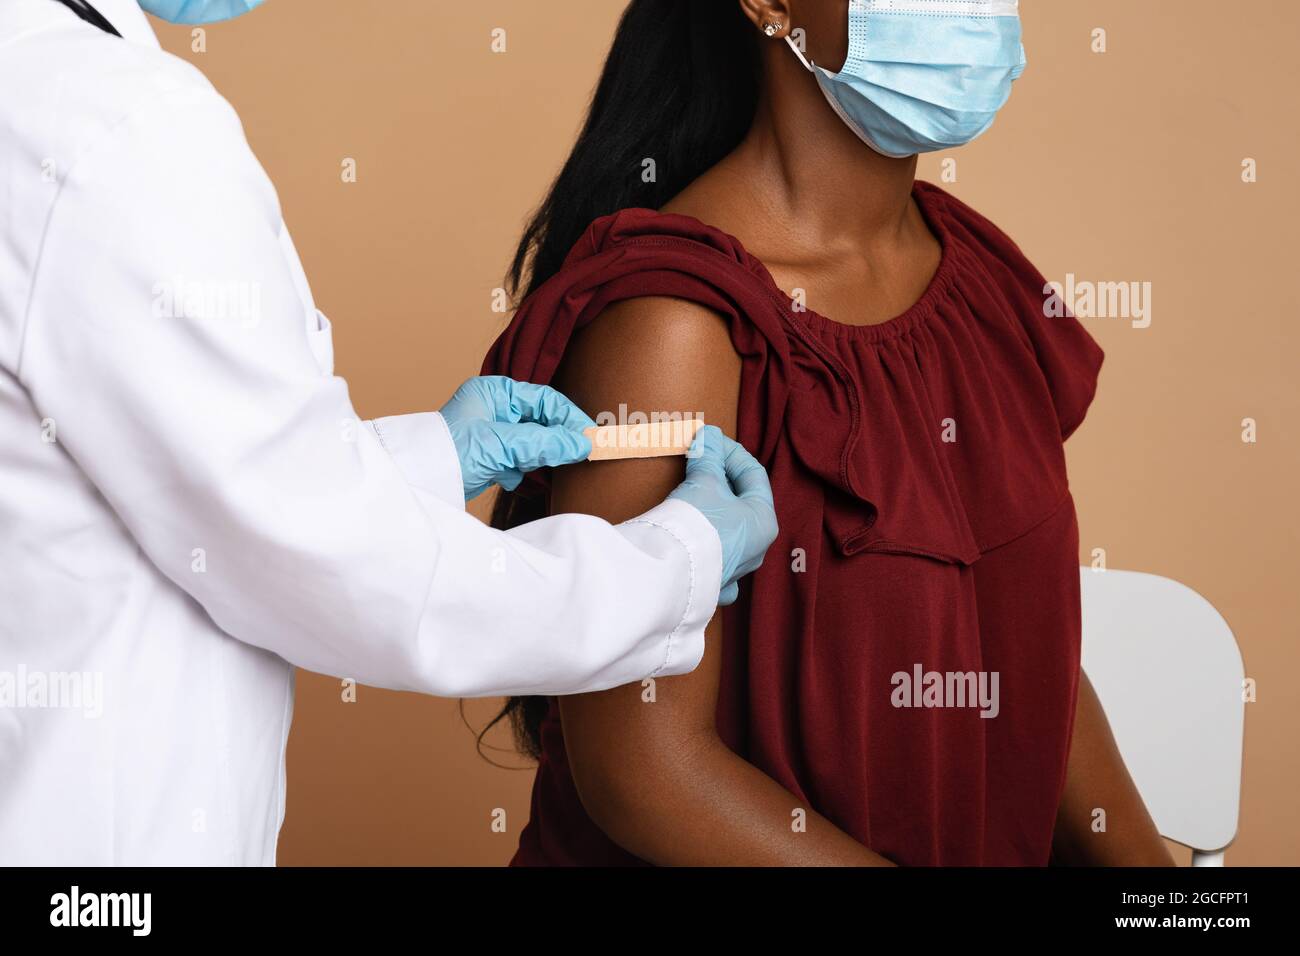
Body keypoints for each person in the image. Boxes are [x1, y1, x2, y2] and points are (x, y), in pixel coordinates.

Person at [0, 0, 777, 865]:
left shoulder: (46, 94)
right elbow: (336, 568)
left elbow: (205, 490)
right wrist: (675, 561)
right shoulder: (109, 126)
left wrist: (424, 460)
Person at [484, 0, 1174, 865]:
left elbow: (1025, 657)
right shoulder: (672, 325)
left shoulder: (982, 284)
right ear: (768, 5)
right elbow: (643, 773)